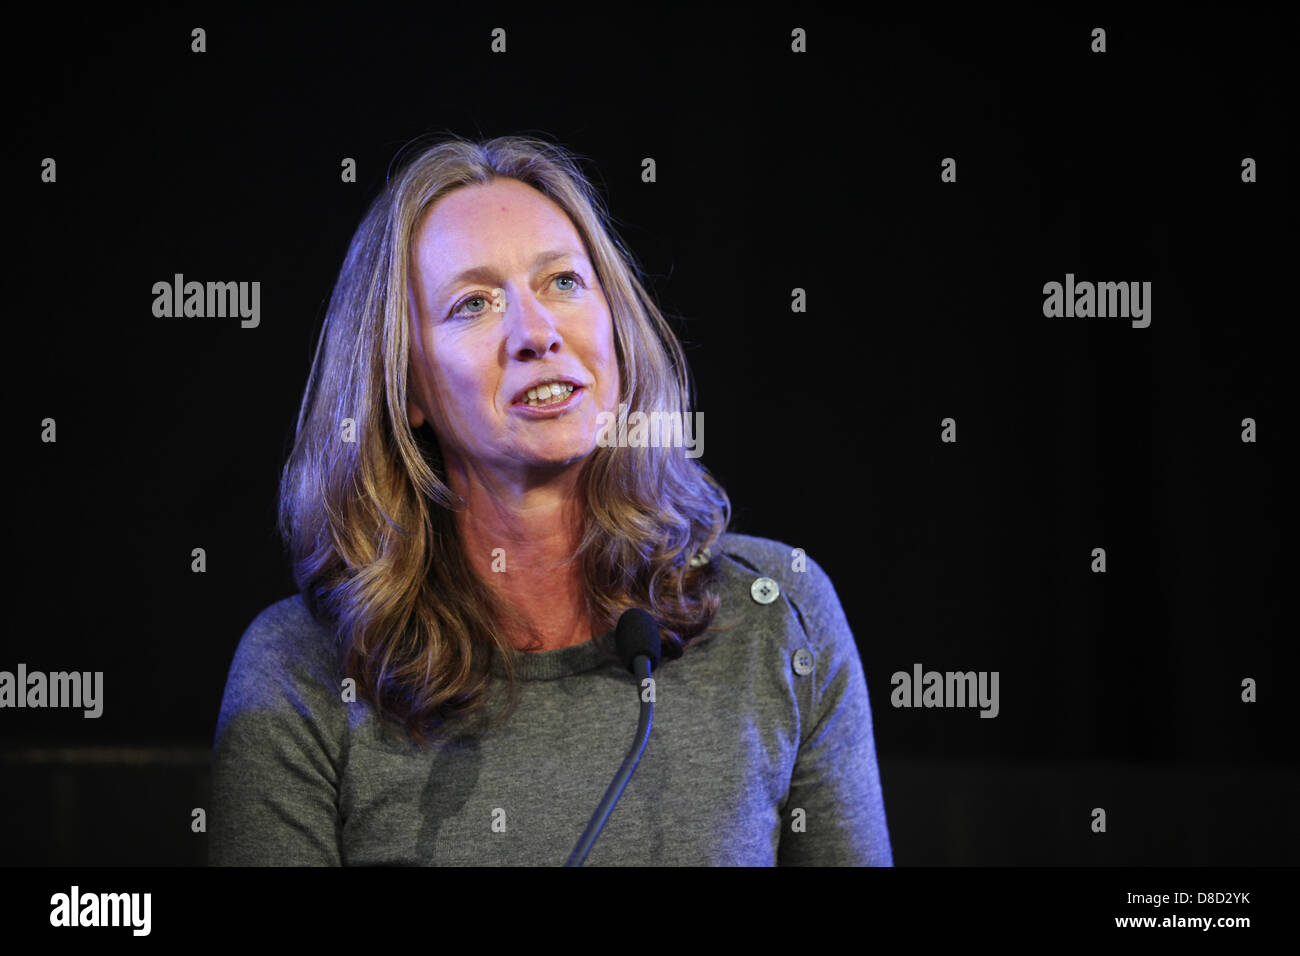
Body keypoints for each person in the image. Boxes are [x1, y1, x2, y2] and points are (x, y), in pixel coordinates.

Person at [209, 133, 893, 866]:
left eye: (563, 282)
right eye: (473, 304)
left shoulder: (778, 618)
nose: (536, 333)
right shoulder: (300, 670)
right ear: (406, 388)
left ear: (614, 325)